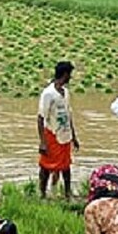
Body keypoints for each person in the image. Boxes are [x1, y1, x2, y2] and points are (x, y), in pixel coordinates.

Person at [38, 61, 80, 199]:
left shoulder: (65, 92)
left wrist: (74, 136)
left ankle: (67, 193)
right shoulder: (48, 94)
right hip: (52, 135)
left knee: (66, 166)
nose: (71, 78)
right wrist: (43, 142)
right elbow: (40, 118)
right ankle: (42, 194)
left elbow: (69, 115)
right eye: (70, 74)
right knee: (46, 166)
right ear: (65, 74)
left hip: (65, 135)